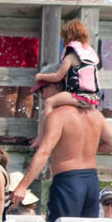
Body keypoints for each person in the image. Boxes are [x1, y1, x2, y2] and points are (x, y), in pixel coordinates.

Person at [11, 80, 112, 222]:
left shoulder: (59, 115)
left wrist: (22, 186)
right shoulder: (95, 114)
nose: (41, 96)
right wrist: (88, 149)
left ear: (58, 90)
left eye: (43, 90)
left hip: (69, 182)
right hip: (91, 182)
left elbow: (44, 152)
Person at [29, 19, 101, 148]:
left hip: (77, 95)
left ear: (68, 37)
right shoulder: (90, 55)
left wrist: (41, 76)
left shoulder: (71, 57)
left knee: (49, 102)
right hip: (93, 98)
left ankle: (43, 136)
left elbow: (58, 76)